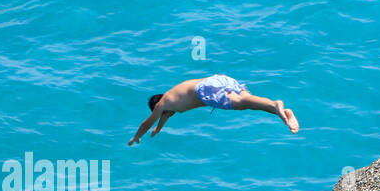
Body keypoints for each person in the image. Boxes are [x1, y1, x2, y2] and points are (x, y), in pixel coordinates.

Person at [128, 75, 299, 145]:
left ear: (157, 107)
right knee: (247, 100)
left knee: (241, 103)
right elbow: (163, 118)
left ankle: (276, 106)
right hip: (219, 80)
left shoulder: (162, 105)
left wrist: (137, 137)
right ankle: (280, 111)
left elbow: (146, 123)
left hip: (205, 90)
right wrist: (158, 129)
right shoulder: (171, 98)